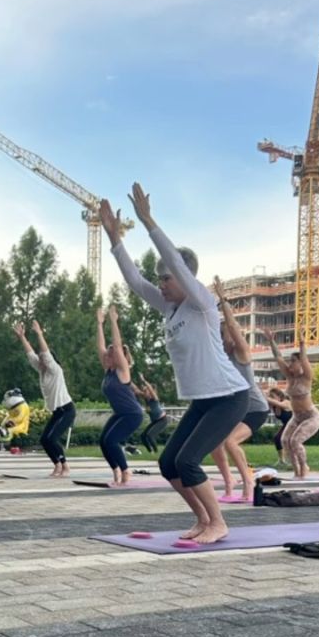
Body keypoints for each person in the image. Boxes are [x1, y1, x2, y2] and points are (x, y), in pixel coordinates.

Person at [100, 184, 249, 542]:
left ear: (184, 276)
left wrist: (148, 222)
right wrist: (115, 239)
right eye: (160, 277)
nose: (161, 283)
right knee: (169, 464)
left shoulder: (202, 303)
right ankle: (203, 520)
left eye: (166, 277)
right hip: (203, 400)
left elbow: (176, 265)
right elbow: (135, 282)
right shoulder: (170, 308)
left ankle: (219, 522)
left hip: (229, 397)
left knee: (188, 462)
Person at [211, 276, 270, 503]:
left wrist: (224, 301)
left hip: (255, 409)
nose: (222, 336)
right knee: (215, 443)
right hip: (237, 409)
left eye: (223, 333)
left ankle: (248, 481)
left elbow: (234, 328)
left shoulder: (240, 354)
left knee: (230, 442)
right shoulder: (222, 358)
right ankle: (229, 483)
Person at [14, 319, 76, 477]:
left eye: (43, 359)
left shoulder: (55, 370)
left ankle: (65, 467)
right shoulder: (41, 370)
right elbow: (30, 355)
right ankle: (57, 465)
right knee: (44, 440)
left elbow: (46, 355)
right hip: (57, 412)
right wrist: (22, 337)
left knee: (53, 438)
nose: (40, 361)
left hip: (67, 410)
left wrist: (39, 333)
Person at [260, 329, 319, 479]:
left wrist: (301, 343)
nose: (290, 363)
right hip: (297, 416)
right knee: (285, 440)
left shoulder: (306, 376)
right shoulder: (289, 376)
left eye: (293, 361)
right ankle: (296, 470)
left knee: (295, 440)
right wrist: (271, 341)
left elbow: (305, 359)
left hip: (311, 417)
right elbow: (278, 357)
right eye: (290, 361)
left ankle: (304, 468)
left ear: (300, 363)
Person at [95, 305, 144, 485]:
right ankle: (116, 470)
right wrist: (99, 324)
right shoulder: (108, 371)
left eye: (111, 354)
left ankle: (126, 471)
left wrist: (114, 322)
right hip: (120, 414)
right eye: (107, 354)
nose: (107, 355)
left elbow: (116, 344)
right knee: (103, 441)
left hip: (132, 414)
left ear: (118, 356)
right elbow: (100, 346)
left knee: (112, 441)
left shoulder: (122, 371)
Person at [136, 375, 168, 453]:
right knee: (143, 436)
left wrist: (143, 380)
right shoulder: (146, 399)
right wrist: (127, 381)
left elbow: (150, 388)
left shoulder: (154, 398)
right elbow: (136, 390)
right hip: (155, 421)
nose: (144, 392)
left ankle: (156, 452)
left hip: (162, 420)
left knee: (150, 435)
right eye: (144, 391)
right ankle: (150, 451)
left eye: (146, 391)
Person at [267, 386, 292, 467]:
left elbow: (281, 405)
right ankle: (282, 460)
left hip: (295, 424)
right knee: (277, 438)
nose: (271, 399)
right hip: (287, 425)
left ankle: (293, 460)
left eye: (273, 397)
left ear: (279, 396)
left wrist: (266, 398)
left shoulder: (286, 402)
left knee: (289, 441)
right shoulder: (274, 406)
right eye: (270, 397)